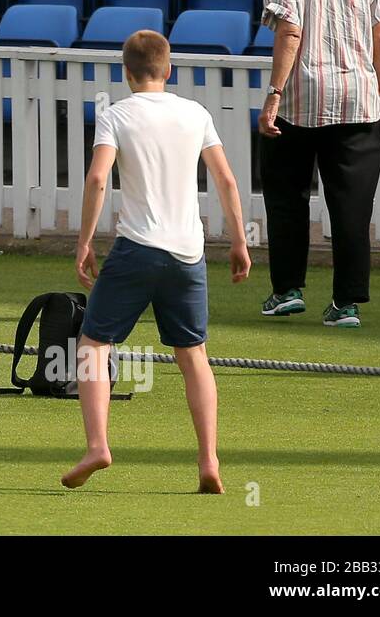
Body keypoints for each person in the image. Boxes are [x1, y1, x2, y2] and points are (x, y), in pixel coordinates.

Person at [65, 30, 250, 492]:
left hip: (136, 247)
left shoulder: (115, 115)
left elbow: (96, 179)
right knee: (193, 355)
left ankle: (97, 445)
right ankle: (208, 460)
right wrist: (239, 241)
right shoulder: (196, 113)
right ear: (168, 70)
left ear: (125, 73)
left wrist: (84, 241)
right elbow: (226, 181)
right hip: (188, 252)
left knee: (93, 343)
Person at [257, 0, 380, 328]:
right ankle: (346, 304)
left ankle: (288, 290)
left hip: (300, 98)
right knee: (352, 206)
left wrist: (274, 93)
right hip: (358, 98)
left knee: (286, 195)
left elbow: (289, 32)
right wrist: (374, 85)